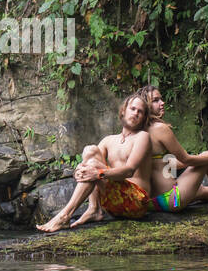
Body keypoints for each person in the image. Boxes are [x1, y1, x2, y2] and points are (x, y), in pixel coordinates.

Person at [35, 94, 154, 233]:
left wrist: (98, 173)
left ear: (144, 117)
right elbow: (89, 163)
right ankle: (94, 209)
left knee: (94, 165)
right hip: (114, 203)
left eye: (140, 111)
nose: (135, 113)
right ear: (123, 111)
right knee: (90, 150)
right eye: (132, 108)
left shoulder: (143, 137)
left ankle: (64, 215)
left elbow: (129, 170)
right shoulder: (109, 140)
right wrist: (78, 170)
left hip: (136, 202)